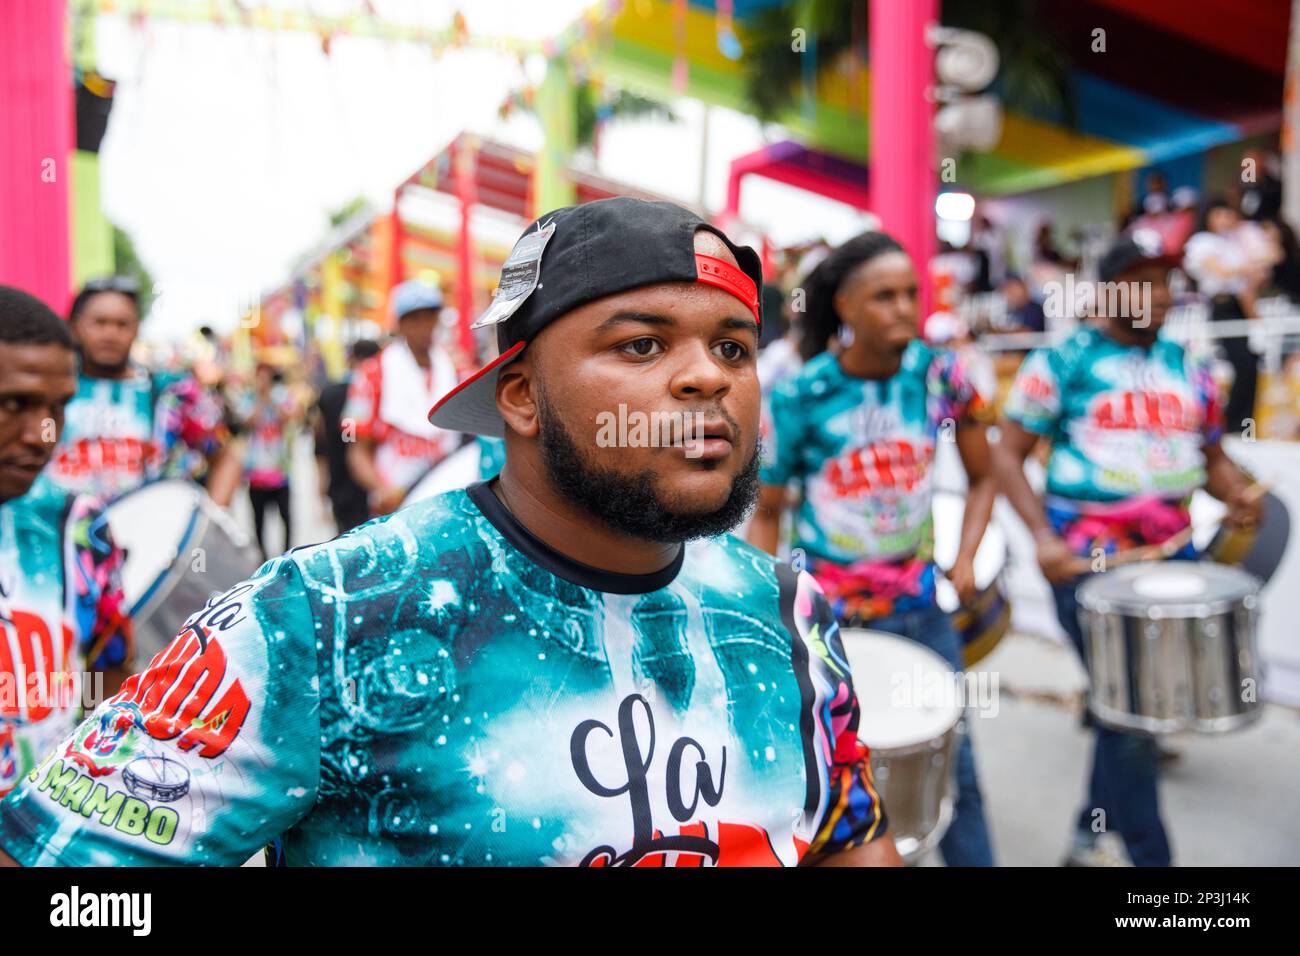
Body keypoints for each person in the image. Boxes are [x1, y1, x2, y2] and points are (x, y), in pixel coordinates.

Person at [0, 198, 900, 868]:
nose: (707, 377)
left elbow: (850, 839)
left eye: (735, 346)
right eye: (641, 345)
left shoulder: (787, 610)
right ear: (518, 396)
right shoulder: (326, 616)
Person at [993, 231, 1264, 867]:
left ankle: (1089, 833)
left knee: (1126, 711)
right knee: (1136, 713)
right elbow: (1007, 456)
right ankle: (1152, 867)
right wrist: (1042, 538)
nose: (1164, 296)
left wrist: (1240, 493)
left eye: (1169, 282)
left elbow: (1213, 458)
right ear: (1108, 291)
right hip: (1091, 565)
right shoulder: (1062, 361)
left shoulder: (1188, 365)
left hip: (1175, 560)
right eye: (1147, 282)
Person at [747, 231, 997, 867]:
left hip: (919, 609)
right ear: (846, 308)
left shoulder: (942, 376)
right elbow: (768, 509)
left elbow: (986, 473)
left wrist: (966, 557)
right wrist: (766, 606)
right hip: (829, 621)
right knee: (838, 780)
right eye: (884, 297)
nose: (905, 308)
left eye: (911, 293)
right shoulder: (803, 395)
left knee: (953, 766)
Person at [0, 286, 134, 797]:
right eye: (16, 403)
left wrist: (92, 769)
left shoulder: (79, 524)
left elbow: (110, 668)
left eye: (57, 407)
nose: (42, 433)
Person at [47, 277, 237, 504]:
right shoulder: (48, 392)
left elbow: (226, 458)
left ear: (137, 328)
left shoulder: (170, 394)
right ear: (74, 326)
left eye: (122, 324)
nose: (110, 334)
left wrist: (207, 524)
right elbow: (35, 446)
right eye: (99, 322)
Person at [344, 279, 460, 516]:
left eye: (430, 316)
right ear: (400, 323)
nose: (424, 326)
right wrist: (380, 488)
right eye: (414, 318)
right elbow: (353, 444)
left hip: (448, 503)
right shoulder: (371, 374)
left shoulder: (457, 369)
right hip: (394, 508)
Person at [1182, 200, 1264, 434]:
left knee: (1250, 364)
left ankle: (1244, 422)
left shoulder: (1231, 244)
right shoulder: (1202, 243)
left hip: (1239, 306)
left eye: (1228, 214)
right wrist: (1249, 268)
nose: (1224, 220)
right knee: (1243, 363)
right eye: (1219, 214)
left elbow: (1247, 282)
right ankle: (1231, 422)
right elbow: (1221, 272)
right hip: (1221, 306)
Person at [314, 339, 380, 534]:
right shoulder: (373, 390)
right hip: (369, 483)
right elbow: (350, 436)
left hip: (342, 481)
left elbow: (321, 441)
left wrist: (322, 480)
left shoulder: (331, 393)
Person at [237, 362, 300, 558]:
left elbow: (290, 418)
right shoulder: (248, 398)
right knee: (258, 520)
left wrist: (271, 398)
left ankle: (288, 554)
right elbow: (248, 422)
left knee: (286, 517)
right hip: (256, 473)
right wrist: (261, 399)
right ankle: (263, 556)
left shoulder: (281, 396)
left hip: (280, 471)